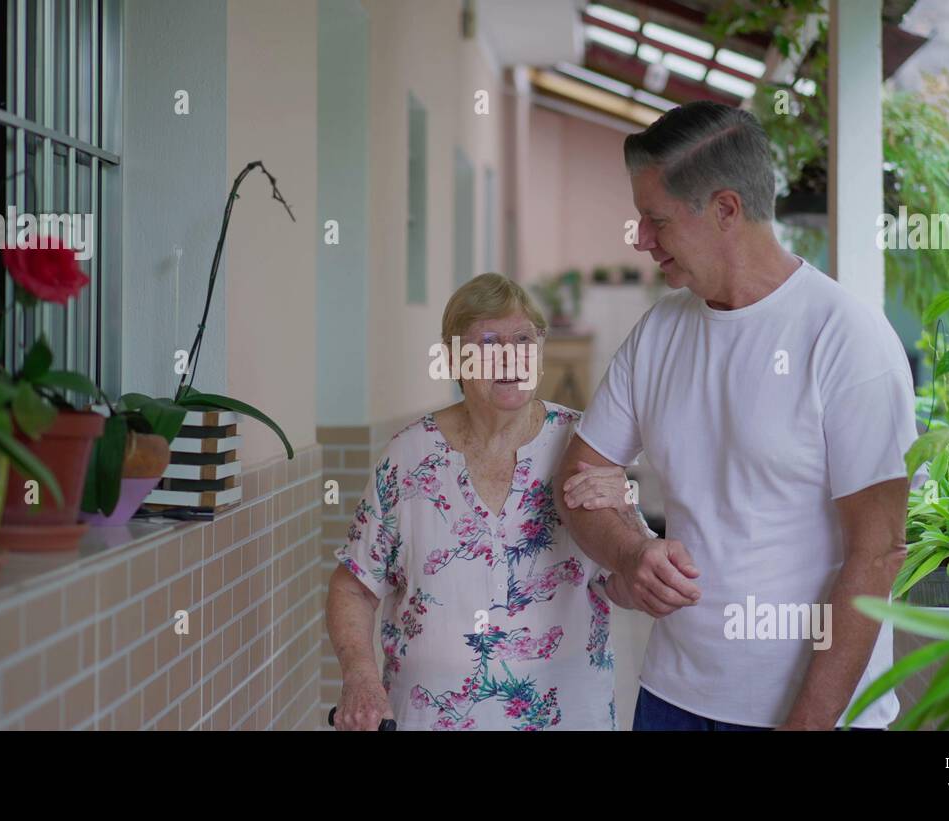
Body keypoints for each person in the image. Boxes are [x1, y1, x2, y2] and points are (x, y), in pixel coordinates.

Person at [557, 101, 916, 731]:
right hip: (670, 700)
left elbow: (880, 550)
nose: (640, 239)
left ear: (725, 208)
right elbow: (579, 478)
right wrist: (632, 551)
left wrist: (809, 721)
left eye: (656, 220)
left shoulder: (846, 339)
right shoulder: (660, 331)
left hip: (814, 713)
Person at [326, 273, 647, 731]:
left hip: (567, 717)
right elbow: (354, 586)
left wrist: (633, 539)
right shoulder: (408, 457)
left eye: (523, 339)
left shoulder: (584, 444)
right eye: (489, 342)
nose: (510, 355)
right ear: (454, 358)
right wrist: (359, 676)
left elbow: (629, 584)